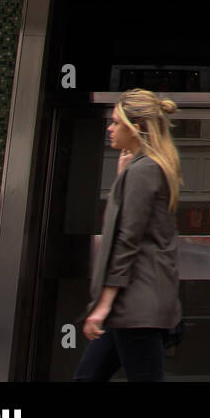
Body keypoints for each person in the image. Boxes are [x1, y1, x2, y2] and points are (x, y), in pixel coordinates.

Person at [75, 89, 182, 382]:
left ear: (136, 128)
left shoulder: (145, 170)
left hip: (136, 305)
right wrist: (121, 177)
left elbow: (127, 240)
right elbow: (126, 223)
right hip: (132, 304)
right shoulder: (145, 168)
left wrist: (105, 304)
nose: (109, 128)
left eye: (116, 122)